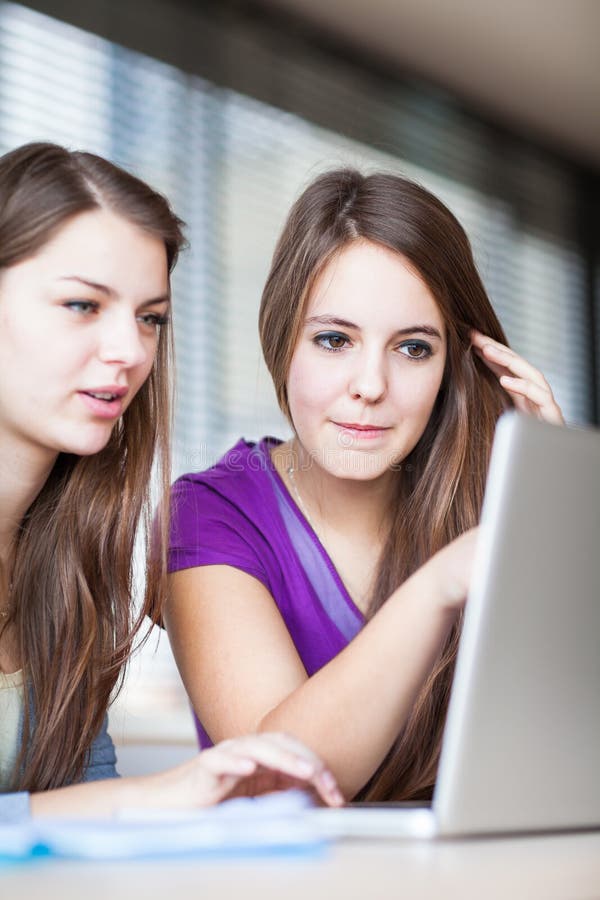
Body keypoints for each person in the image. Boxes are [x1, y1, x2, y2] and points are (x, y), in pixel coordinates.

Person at [166, 168, 565, 803]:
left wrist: (552, 509)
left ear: (454, 368)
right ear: (282, 341)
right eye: (334, 340)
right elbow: (278, 784)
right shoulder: (211, 511)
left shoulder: (488, 506)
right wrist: (439, 586)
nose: (371, 385)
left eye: (412, 349)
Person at [0, 142, 344, 822]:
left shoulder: (68, 555)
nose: (129, 351)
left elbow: (68, 803)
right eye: (81, 305)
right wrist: (144, 797)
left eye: (149, 317)